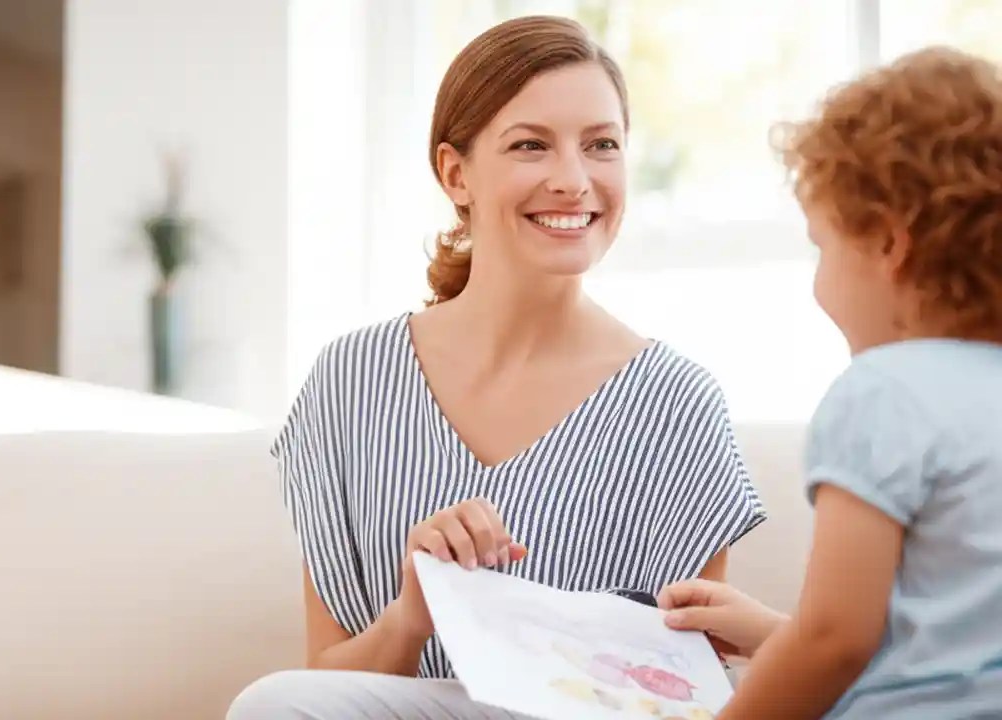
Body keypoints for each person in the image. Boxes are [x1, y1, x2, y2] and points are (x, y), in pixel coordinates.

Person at [228, 15, 765, 719]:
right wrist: (414, 614)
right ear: (456, 174)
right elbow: (327, 685)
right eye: (530, 146)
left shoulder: (677, 403)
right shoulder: (350, 382)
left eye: (602, 145)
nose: (574, 181)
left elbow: (683, 688)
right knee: (275, 705)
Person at [659, 47, 1002, 719]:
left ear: (887, 245)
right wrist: (764, 630)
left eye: (822, 246)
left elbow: (834, 640)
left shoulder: (884, 391)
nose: (819, 282)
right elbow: (945, 642)